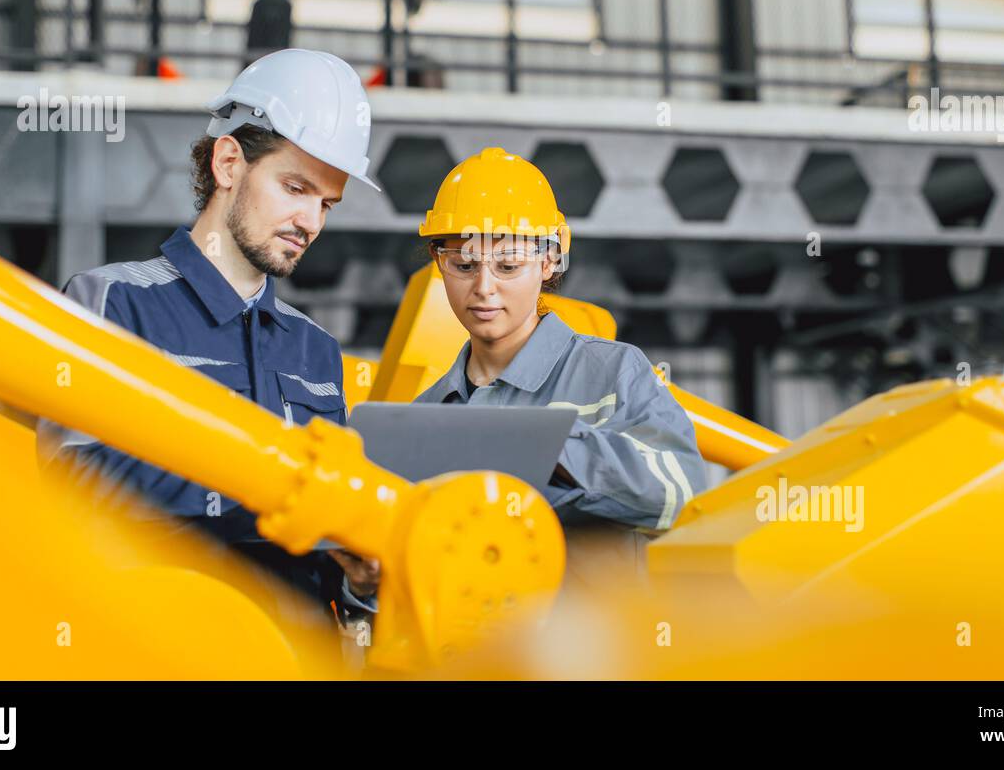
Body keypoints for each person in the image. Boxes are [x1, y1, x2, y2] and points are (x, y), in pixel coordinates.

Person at [37, 48, 380, 621]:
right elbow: (72, 482)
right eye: (295, 189)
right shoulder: (114, 303)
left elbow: (327, 572)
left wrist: (361, 580)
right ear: (227, 163)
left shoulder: (314, 350)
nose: (311, 223)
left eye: (327, 203)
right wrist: (271, 489)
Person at [413, 147, 708, 575]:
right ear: (439, 264)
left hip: (594, 640)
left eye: (508, 265)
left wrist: (551, 450)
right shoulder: (425, 414)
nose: (483, 288)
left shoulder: (613, 373)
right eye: (463, 264)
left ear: (549, 262)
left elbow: (682, 493)